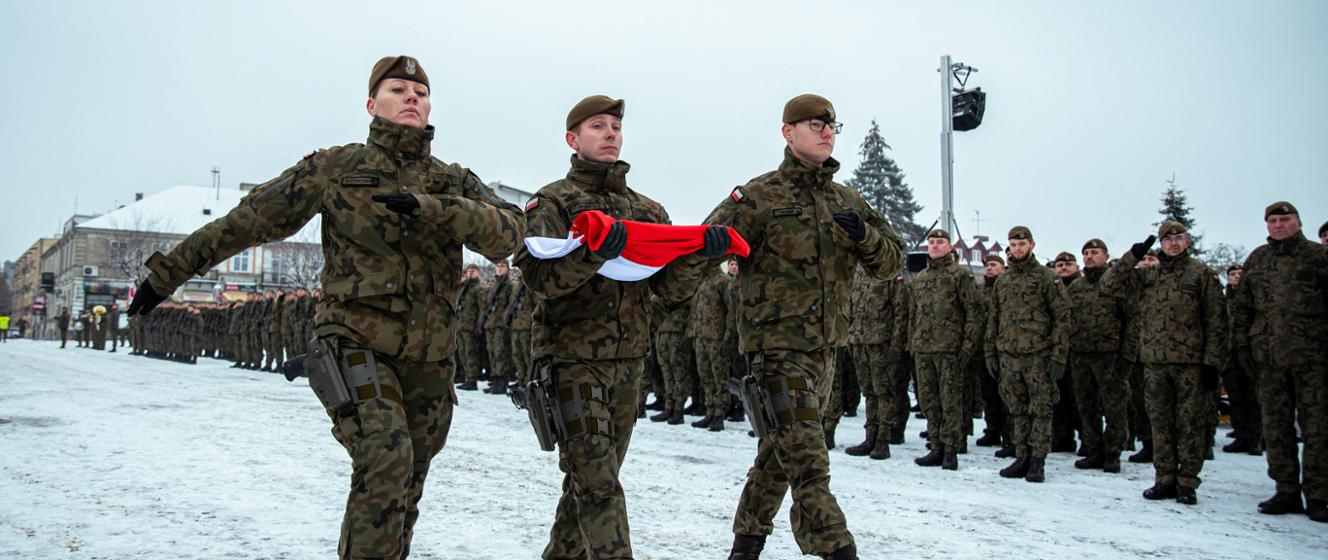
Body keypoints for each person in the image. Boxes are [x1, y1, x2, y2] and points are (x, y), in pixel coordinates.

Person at [126, 55, 524, 559]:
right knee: (385, 457)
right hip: (355, 342)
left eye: (420, 93)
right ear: (371, 104)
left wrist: (437, 209)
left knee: (406, 484)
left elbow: (510, 232)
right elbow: (247, 221)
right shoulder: (337, 168)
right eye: (398, 89)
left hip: (431, 356)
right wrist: (168, 274)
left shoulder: (455, 181)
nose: (411, 98)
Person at [513, 94, 724, 560]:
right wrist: (594, 250)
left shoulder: (647, 210)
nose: (610, 133)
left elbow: (664, 292)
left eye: (615, 126)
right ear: (573, 139)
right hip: (571, 362)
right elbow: (541, 278)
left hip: (628, 364)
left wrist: (699, 259)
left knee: (587, 486)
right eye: (597, 126)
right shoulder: (553, 202)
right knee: (599, 484)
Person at [702, 94, 904, 560]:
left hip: (827, 350)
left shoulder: (846, 200)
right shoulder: (758, 196)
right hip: (776, 351)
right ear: (787, 132)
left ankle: (745, 545)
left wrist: (864, 235)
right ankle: (837, 548)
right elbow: (707, 243)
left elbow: (889, 261)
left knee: (780, 452)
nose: (827, 132)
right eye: (815, 124)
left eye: (832, 124)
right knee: (810, 462)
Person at [1102, 221, 1226, 506]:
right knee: (1160, 423)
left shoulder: (1201, 274)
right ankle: (1164, 478)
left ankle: (1187, 482)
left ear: (1187, 241)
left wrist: (1212, 363)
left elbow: (1217, 322)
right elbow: (1109, 285)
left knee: (1189, 424)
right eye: (1167, 239)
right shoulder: (1149, 276)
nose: (1173, 243)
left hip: (1191, 363)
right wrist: (1133, 256)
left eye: (1178, 238)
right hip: (1155, 362)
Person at [1231, 202, 1328, 522]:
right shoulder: (1258, 259)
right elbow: (1243, 307)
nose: (1278, 225)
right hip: (1269, 359)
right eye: (1272, 220)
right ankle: (1286, 489)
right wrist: (1244, 346)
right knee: (1276, 427)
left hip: (1312, 358)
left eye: (1284, 219)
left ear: (1298, 222)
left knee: (1317, 429)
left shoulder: (1317, 256)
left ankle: (1318, 493)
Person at [984, 226, 1072, 483]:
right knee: (1017, 409)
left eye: (1022, 244)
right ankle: (1022, 455)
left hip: (1038, 357)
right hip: (1009, 356)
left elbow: (1062, 318)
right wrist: (991, 351)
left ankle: (1038, 460)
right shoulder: (1004, 280)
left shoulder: (1047, 278)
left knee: (1041, 410)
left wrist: (1058, 356)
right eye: (1013, 245)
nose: (1017, 249)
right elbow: (994, 318)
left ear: (1032, 246)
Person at [906, 229, 984, 471]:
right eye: (931, 242)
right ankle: (936, 446)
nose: (935, 246)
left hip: (950, 349)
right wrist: (912, 342)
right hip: (924, 349)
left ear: (950, 247)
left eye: (940, 242)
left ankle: (951, 449)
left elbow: (974, 312)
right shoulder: (921, 278)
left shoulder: (959, 275)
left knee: (950, 401)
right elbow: (914, 314)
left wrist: (967, 347)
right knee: (929, 401)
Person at [1066, 239, 1129, 473]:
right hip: (1081, 354)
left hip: (1110, 355)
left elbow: (1130, 320)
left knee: (1114, 406)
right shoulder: (1076, 288)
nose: (1090, 257)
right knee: (1086, 406)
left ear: (1106, 256)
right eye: (1086, 253)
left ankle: (1113, 452)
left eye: (1095, 252)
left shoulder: (1116, 284)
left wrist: (1127, 355)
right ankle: (1093, 449)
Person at [1220, 265, 1263, 455]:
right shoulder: (1222, 301)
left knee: (1254, 397)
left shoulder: (1253, 298)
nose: (1236, 277)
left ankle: (1256, 439)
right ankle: (1241, 434)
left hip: (1251, 353)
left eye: (1239, 274)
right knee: (1236, 397)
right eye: (1232, 275)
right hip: (1230, 355)